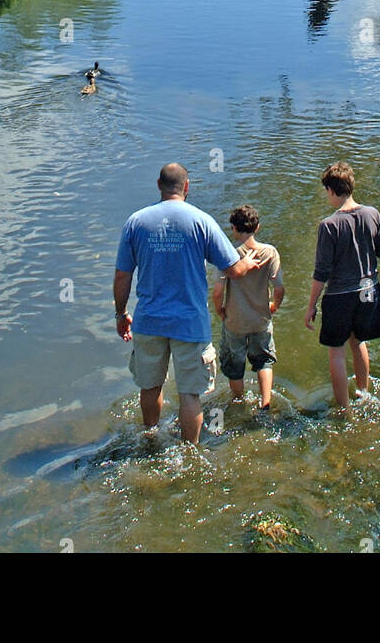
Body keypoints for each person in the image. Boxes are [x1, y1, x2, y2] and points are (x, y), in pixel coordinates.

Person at [114, 163, 263, 444]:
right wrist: (247, 263)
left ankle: (150, 438)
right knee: (189, 393)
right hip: (190, 323)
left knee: (150, 386)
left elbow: (123, 275)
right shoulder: (201, 221)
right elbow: (232, 270)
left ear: (158, 185)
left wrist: (121, 313)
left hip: (149, 320)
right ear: (187, 187)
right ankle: (189, 452)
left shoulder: (136, 222)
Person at [304, 161, 380, 411]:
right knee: (358, 343)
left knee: (336, 352)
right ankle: (363, 395)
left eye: (327, 192)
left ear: (332, 191)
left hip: (339, 297)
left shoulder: (329, 225)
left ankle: (343, 409)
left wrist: (311, 305)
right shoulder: (372, 214)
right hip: (369, 293)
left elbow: (321, 272)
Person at [212, 204, 284, 411]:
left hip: (235, 321)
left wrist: (220, 311)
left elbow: (217, 292)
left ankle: (238, 402)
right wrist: (274, 306)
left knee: (234, 366)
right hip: (261, 319)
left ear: (234, 229)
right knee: (264, 362)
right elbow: (279, 288)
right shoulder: (270, 252)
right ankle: (265, 402)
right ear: (257, 227)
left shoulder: (228, 255)